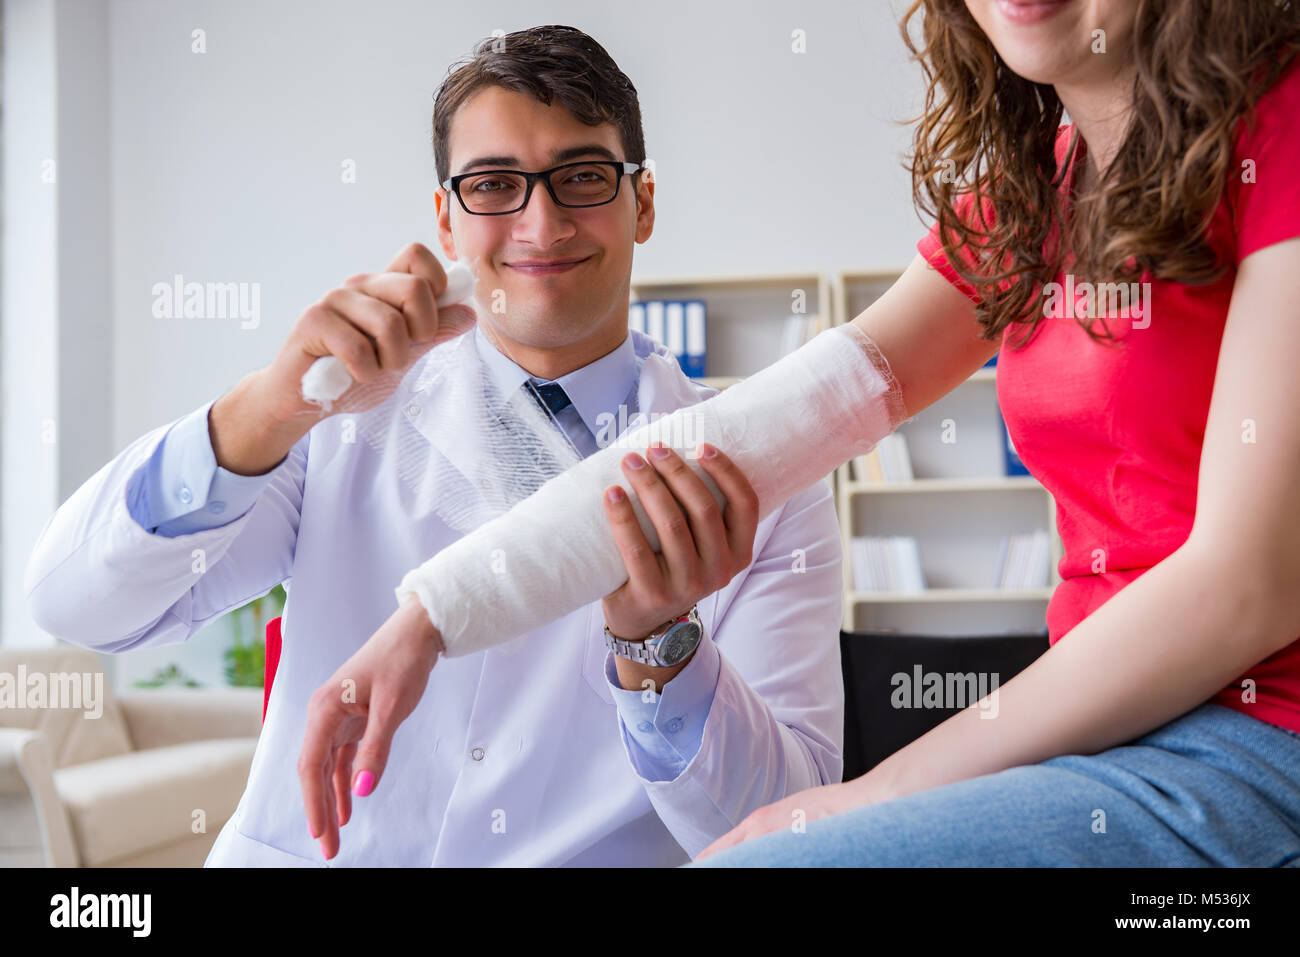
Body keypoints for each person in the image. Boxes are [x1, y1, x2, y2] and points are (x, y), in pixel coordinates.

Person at [24, 25, 846, 866]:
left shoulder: (764, 483)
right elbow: (75, 603)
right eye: (495, 185)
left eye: (584, 176)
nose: (542, 221)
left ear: (644, 202)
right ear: (447, 221)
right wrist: (267, 407)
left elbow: (788, 827)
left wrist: (659, 650)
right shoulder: (338, 415)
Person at [691, 0, 1300, 865]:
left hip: (1260, 751)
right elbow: (800, 408)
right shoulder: (1034, 195)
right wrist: (439, 611)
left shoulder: (1282, 122)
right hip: (1108, 749)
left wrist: (871, 794)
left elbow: (1249, 585)